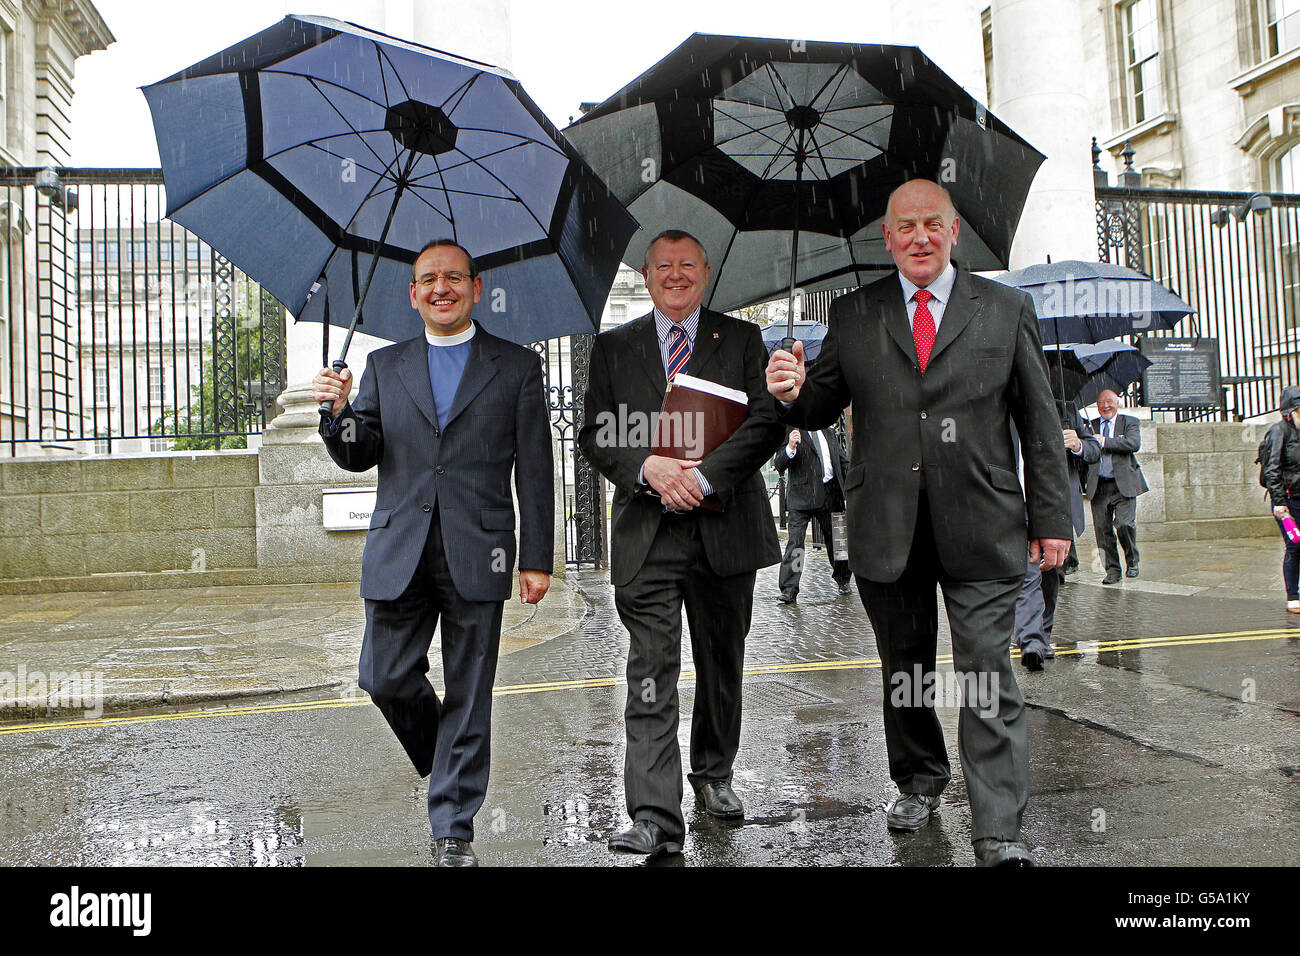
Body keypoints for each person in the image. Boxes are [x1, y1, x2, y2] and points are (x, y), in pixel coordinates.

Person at [765, 179, 1072, 867]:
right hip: (887, 526)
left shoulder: (1005, 308)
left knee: (987, 671)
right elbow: (818, 405)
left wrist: (1053, 518)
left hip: (985, 522)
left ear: (954, 231)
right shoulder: (854, 314)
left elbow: (1039, 423)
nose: (920, 238)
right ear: (888, 238)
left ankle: (997, 828)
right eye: (905, 227)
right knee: (904, 671)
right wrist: (791, 389)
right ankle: (919, 779)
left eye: (933, 224)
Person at [313, 239, 553, 868]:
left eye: (454, 277)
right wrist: (335, 414)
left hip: (483, 550)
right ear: (412, 294)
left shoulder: (518, 367)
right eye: (428, 279)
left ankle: (454, 828)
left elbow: (536, 467)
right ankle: (446, 754)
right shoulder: (386, 366)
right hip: (400, 549)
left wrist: (538, 555)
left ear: (476, 288)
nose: (441, 287)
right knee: (382, 675)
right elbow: (359, 451)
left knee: (471, 691)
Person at [578, 229, 782, 859]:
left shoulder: (743, 340)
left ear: (706, 271)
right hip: (648, 534)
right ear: (645, 274)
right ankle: (652, 813)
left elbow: (766, 422)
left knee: (722, 663)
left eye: (686, 265)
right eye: (663, 266)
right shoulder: (615, 347)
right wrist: (647, 467)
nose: (675, 275)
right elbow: (596, 434)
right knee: (651, 671)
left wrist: (704, 475)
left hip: (726, 530)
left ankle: (714, 775)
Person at [1013, 410, 1100, 670]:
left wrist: (1078, 444)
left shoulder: (1065, 409)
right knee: (1024, 572)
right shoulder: (1002, 399)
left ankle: (1042, 635)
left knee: (1050, 573)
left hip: (1050, 504)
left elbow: (1093, 449)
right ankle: (1031, 637)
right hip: (1012, 502)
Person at [773, 425, 853, 603]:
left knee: (837, 542)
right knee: (796, 544)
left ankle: (843, 578)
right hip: (801, 499)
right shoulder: (791, 431)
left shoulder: (828, 432)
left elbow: (842, 461)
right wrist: (790, 447)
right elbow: (779, 463)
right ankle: (790, 588)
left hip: (830, 495)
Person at [1085, 389, 1148, 584]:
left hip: (1123, 485)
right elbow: (1085, 452)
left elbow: (1133, 443)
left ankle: (1132, 560)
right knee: (1102, 532)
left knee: (1124, 524)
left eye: (1109, 401)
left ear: (1117, 403)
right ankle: (1112, 570)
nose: (1105, 406)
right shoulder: (1090, 425)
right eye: (1101, 402)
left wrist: (1106, 442)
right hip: (1099, 485)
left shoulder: (1129, 422)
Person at [1262, 384, 1300, 612]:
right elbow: (1271, 469)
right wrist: (1279, 503)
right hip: (1288, 500)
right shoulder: (1279, 431)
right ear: (1290, 411)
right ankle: (1293, 596)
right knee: (1295, 546)